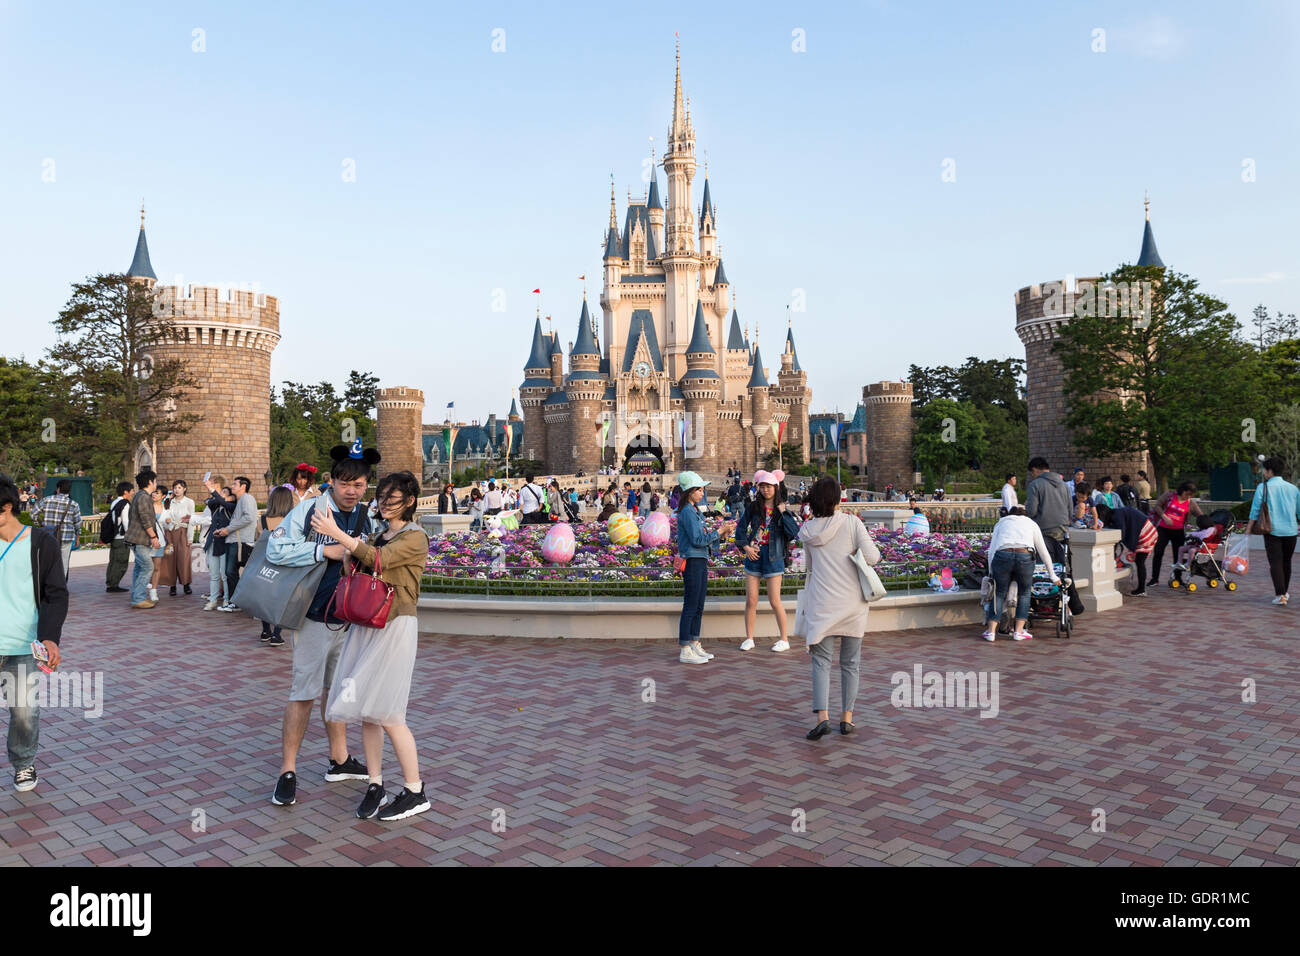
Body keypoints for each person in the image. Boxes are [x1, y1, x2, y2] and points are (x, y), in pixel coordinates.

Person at [313, 470, 432, 821]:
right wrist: (351, 550)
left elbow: (380, 561)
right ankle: (375, 784)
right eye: (381, 497)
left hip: (395, 625)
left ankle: (414, 790)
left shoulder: (416, 537)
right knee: (367, 710)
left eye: (392, 498)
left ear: (409, 502)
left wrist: (339, 536)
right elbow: (362, 563)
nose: (384, 503)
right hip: (368, 624)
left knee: (390, 714)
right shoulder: (380, 533)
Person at [266, 442, 378, 808]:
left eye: (359, 485)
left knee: (338, 691)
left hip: (348, 620)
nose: (351, 491)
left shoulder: (364, 515)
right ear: (332, 481)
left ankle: (339, 759)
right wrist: (322, 550)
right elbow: (274, 549)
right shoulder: (310, 509)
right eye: (346, 483)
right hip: (313, 617)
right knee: (303, 693)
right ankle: (287, 771)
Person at [796, 476, 881, 740]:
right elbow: (872, 557)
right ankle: (847, 718)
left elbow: (809, 568)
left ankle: (823, 717)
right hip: (852, 603)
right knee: (850, 663)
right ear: (837, 498)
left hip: (822, 601)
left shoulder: (808, 531)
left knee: (821, 661)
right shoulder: (852, 523)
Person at [0, 475, 68, 793]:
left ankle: (24, 764)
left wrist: (50, 637)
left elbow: (56, 594)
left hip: (22, 645)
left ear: (6, 508)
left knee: (24, 712)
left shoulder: (41, 544)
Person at [735, 470, 800, 653]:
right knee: (751, 600)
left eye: (769, 486)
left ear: (775, 487)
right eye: (762, 486)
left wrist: (784, 512)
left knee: (774, 600)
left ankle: (784, 639)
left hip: (774, 556)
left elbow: (794, 532)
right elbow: (740, 530)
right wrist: (746, 547)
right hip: (754, 555)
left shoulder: (782, 509)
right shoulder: (753, 507)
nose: (765, 490)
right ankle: (749, 638)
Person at [675, 472, 735, 665]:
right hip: (692, 560)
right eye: (699, 489)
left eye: (702, 489)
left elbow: (704, 539)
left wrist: (722, 534)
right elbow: (697, 540)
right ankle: (685, 648)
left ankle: (694, 642)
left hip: (700, 559)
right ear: (689, 491)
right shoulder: (686, 511)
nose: (702, 492)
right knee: (691, 605)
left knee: (699, 605)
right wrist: (719, 531)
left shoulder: (695, 510)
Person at [981, 506, 1060, 642]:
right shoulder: (1031, 523)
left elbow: (992, 549)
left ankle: (991, 631)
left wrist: (991, 572)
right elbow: (1043, 551)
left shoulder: (1001, 522)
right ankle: (1019, 631)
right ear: (1025, 515)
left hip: (1002, 554)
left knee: (999, 593)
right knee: (1024, 593)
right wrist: (1052, 575)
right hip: (1024, 555)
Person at [1243, 456, 1300, 605]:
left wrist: (1248, 528)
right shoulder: (1293, 488)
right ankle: (1285, 593)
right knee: (1286, 562)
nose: (1263, 473)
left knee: (1275, 563)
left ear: (1269, 471)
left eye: (1264, 470)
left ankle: (1280, 595)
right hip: (1291, 531)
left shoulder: (1263, 487)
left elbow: (1255, 510)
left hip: (1271, 530)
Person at [256, 486, 296, 647]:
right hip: (286, 563)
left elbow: (259, 540)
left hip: (266, 562)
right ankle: (277, 634)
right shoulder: (292, 520)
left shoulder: (263, 519)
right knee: (282, 600)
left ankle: (265, 631)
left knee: (265, 598)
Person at [1095, 502, 1158, 597]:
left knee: (1140, 562)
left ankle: (1141, 590)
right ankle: (1141, 589)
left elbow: (1120, 535)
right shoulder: (1117, 513)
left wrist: (1112, 550)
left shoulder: (1117, 516)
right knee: (1139, 562)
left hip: (1145, 533)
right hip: (1148, 531)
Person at [1149, 481, 1202, 588]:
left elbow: (1201, 516)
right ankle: (1154, 579)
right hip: (1163, 528)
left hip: (1178, 531)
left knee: (1178, 554)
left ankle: (1178, 578)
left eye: (1191, 495)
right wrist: (1165, 517)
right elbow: (1157, 506)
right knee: (1158, 552)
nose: (1188, 497)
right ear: (1182, 491)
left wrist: (1208, 525)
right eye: (1187, 494)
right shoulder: (1169, 495)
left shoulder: (1190, 503)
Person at [218, 477, 257, 610]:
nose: (232, 486)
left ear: (243, 486)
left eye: (235, 484)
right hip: (234, 540)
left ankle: (236, 602)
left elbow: (249, 518)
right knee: (231, 572)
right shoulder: (241, 500)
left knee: (230, 571)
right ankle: (235, 601)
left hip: (239, 541)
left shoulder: (247, 498)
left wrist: (228, 529)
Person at [125, 469, 161, 609]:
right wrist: (153, 537)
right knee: (148, 567)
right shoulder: (144, 497)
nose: (156, 483)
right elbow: (145, 519)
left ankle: (136, 597)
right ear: (150, 482)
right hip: (140, 539)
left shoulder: (139, 496)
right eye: (155, 481)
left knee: (140, 568)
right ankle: (138, 599)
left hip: (136, 539)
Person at [1023, 457, 1071, 558]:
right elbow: (1070, 509)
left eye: (1032, 473)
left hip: (1043, 531)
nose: (1033, 476)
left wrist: (1026, 506)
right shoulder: (1064, 485)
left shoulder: (1035, 485)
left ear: (1035, 470)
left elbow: (1031, 511)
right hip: (1062, 531)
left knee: (1043, 565)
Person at [38, 479, 81, 582]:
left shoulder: (46, 500)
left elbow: (33, 514)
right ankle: (60, 586)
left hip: (49, 536)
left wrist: (42, 525)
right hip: (66, 537)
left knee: (48, 561)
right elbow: (77, 523)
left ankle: (47, 584)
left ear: (58, 489)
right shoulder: (74, 504)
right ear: (69, 491)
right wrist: (78, 537)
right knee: (64, 562)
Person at [201, 478, 234, 611]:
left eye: (225, 492)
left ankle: (226, 599)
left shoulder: (231, 507)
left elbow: (224, 502)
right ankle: (213, 599)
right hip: (213, 543)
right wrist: (214, 492)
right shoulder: (215, 506)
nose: (222, 494)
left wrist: (214, 491)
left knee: (224, 575)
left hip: (225, 544)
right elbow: (212, 501)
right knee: (214, 575)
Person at [162, 479, 194, 596]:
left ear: (184, 489)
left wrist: (190, 537)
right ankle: (172, 586)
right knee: (170, 558)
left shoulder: (189, 502)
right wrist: (167, 522)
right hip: (170, 531)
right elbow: (164, 518)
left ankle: (186, 584)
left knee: (183, 559)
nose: (177, 490)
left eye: (179, 487)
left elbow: (191, 520)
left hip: (183, 532)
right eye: (175, 487)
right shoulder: (169, 502)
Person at [103, 481, 134, 593]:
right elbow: (126, 521)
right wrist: (129, 536)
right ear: (126, 492)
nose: (132, 493)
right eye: (131, 490)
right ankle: (113, 585)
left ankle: (110, 583)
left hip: (114, 537)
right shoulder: (125, 503)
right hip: (122, 537)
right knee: (121, 561)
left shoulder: (115, 502)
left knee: (113, 561)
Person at [149, 486, 174, 603]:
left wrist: (169, 523)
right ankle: (139, 589)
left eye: (157, 493)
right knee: (143, 567)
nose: (154, 494)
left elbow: (169, 527)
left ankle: (153, 591)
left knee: (156, 568)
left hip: (160, 543)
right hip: (146, 541)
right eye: (154, 492)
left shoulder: (166, 510)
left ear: (163, 496)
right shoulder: (147, 507)